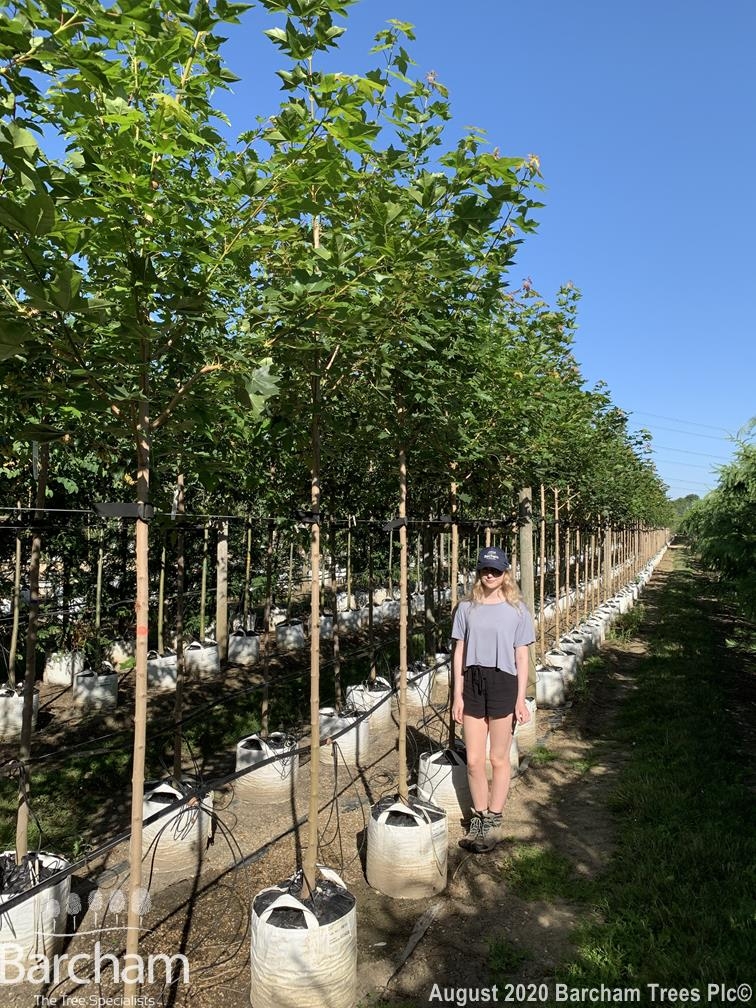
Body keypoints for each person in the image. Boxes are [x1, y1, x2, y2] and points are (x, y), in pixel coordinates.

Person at [451, 545, 535, 853]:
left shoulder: (517, 610)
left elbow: (522, 657)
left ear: (506, 573)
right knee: (474, 761)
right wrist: (457, 695)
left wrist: (520, 699)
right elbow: (459, 653)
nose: (490, 575)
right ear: (478, 572)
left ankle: (493, 821)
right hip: (473, 681)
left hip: (503, 682)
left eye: (497, 570)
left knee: (498, 758)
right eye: (486, 570)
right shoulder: (466, 608)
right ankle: (479, 815)